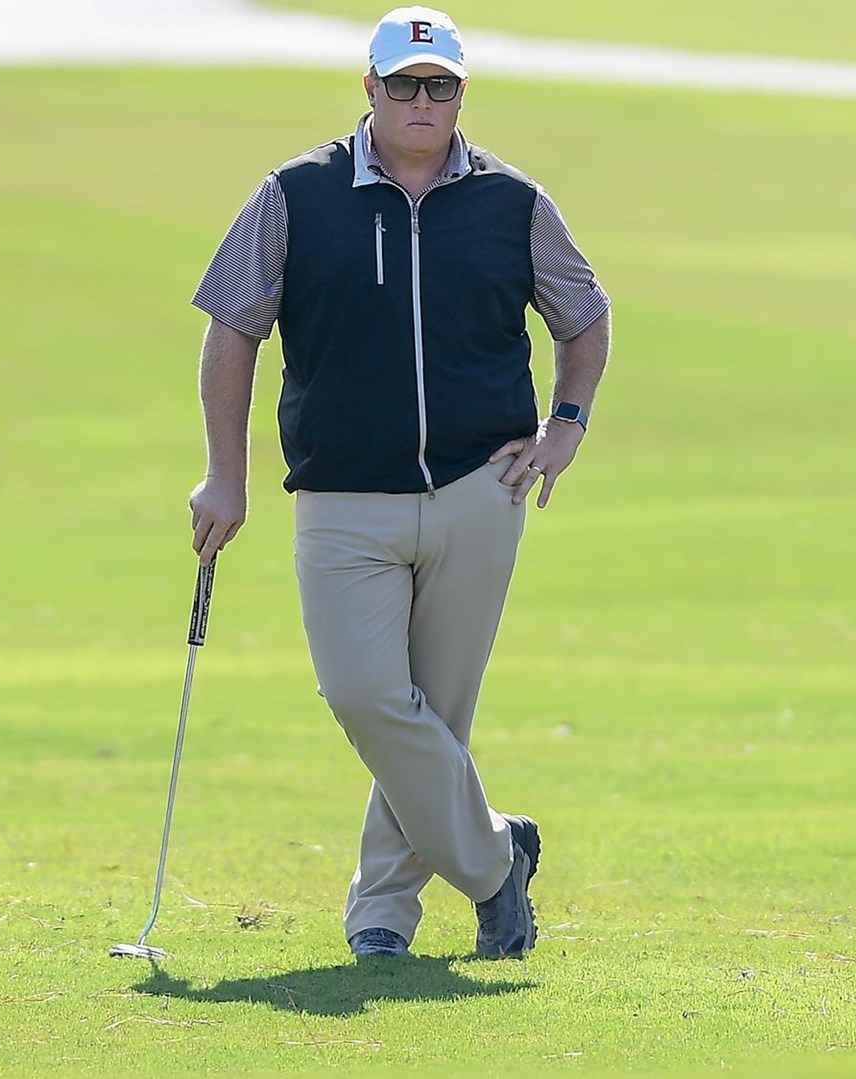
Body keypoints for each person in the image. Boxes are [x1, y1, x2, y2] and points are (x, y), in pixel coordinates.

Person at [186, 5, 613, 959]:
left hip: (479, 489)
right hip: (342, 498)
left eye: (442, 85)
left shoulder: (513, 201)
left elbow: (585, 315)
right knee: (367, 696)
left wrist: (566, 425)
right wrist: (226, 475)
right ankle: (499, 859)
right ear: (370, 89)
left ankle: (382, 915)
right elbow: (231, 327)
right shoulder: (296, 194)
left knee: (435, 715)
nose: (424, 102)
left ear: (461, 92)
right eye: (405, 84)